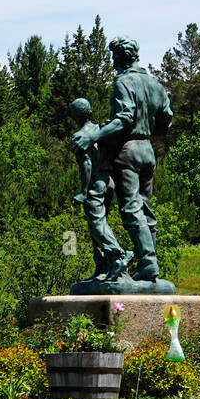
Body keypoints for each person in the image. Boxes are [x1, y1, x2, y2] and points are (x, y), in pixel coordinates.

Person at [72, 36, 173, 284]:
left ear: (118, 57)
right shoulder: (156, 85)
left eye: (113, 57)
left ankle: (148, 262)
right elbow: (167, 119)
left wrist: (94, 135)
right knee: (146, 209)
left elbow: (123, 119)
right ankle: (147, 264)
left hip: (128, 150)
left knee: (131, 208)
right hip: (148, 150)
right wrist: (147, 130)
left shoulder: (123, 82)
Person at [69, 97, 131, 282]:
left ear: (74, 117)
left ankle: (120, 255)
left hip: (95, 183)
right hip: (109, 181)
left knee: (97, 225)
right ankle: (102, 268)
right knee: (98, 224)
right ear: (89, 112)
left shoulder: (80, 136)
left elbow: (86, 164)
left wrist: (84, 191)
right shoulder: (100, 130)